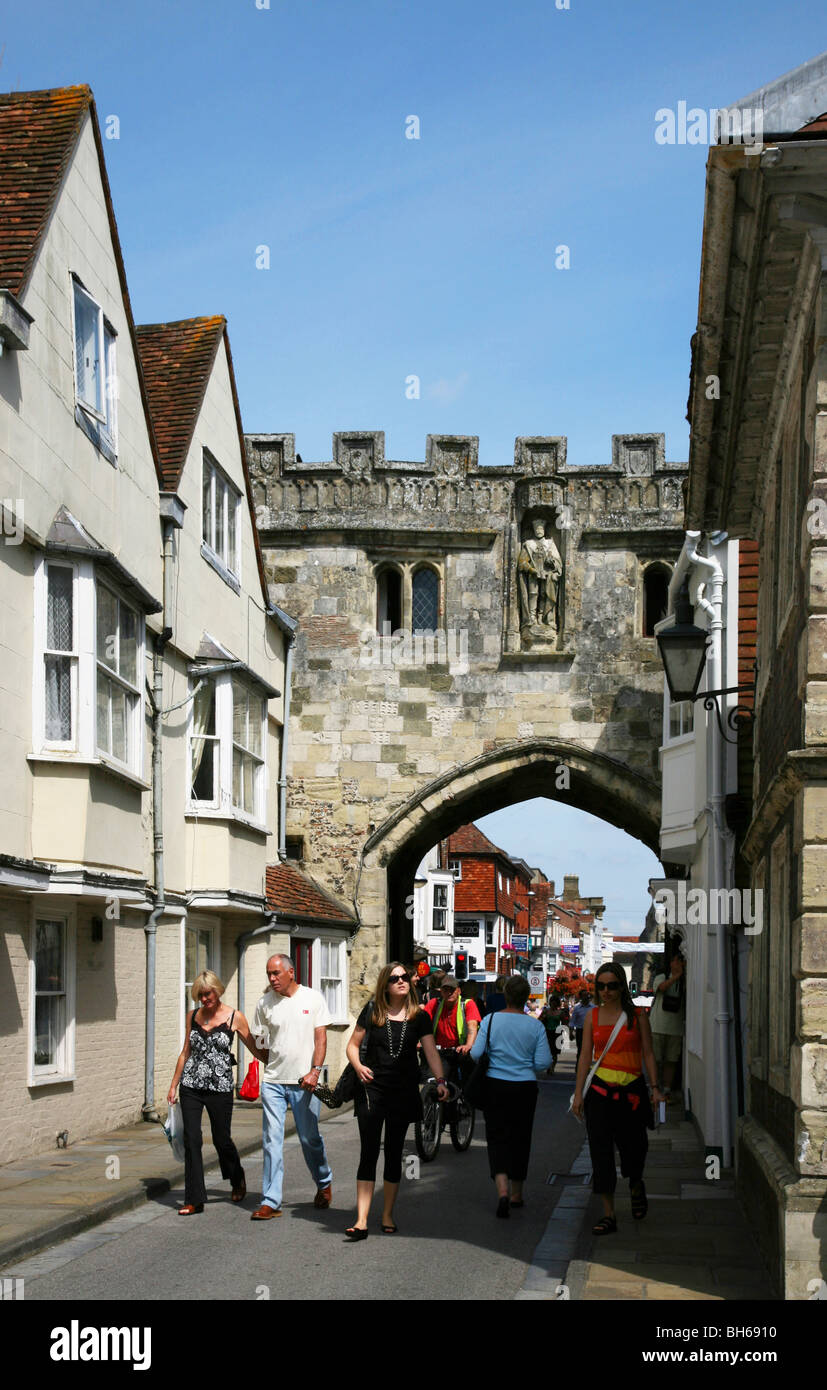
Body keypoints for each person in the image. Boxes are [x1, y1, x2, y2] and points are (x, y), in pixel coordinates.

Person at [345, 963, 448, 1238]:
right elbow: (352, 1046)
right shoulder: (372, 1012)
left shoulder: (420, 1017)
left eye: (405, 977)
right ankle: (362, 1220)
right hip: (372, 1089)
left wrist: (440, 1081)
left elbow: (431, 1053)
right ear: (385, 985)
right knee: (368, 1152)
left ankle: (388, 1214)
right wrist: (358, 1066)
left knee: (393, 1153)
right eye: (394, 978)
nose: (402, 981)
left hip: (402, 1091)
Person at [571, 962, 664, 1236]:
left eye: (612, 985)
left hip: (631, 1093)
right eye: (601, 986)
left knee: (635, 1150)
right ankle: (609, 1214)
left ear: (621, 986)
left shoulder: (637, 1016)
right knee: (600, 1154)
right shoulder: (592, 1017)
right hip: (599, 1094)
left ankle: (636, 1183)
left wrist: (655, 1088)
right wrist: (578, 1094)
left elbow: (648, 1053)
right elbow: (585, 1056)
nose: (606, 991)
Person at [167, 970, 265, 1215]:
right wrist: (173, 1085)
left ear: (217, 991)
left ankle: (236, 1176)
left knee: (222, 1139)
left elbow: (254, 1047)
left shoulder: (234, 1017)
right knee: (192, 1139)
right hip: (191, 1085)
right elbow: (185, 1053)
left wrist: (275, 1064)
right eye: (200, 995)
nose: (204, 999)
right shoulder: (193, 1016)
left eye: (208, 993)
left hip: (219, 1087)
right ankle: (194, 1198)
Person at [249, 953, 333, 1221]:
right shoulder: (264, 1004)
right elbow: (261, 1043)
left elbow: (321, 1039)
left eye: (276, 973)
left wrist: (315, 1072)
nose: (272, 979)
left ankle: (323, 1181)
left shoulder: (312, 998)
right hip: (273, 1082)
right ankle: (271, 1200)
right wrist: (269, 1062)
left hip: (304, 1083)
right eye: (269, 974)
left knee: (309, 1139)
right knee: (271, 1140)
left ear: (291, 972)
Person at [469, 974, 552, 1217]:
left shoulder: (491, 1020)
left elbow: (476, 1054)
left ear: (505, 995)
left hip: (495, 1085)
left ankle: (502, 1192)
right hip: (525, 1087)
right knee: (520, 1138)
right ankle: (517, 1194)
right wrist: (524, 1063)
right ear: (526, 998)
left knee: (496, 1138)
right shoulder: (535, 1026)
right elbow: (543, 1061)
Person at [423, 974, 481, 1087]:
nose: (449, 993)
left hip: (460, 1051)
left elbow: (472, 1026)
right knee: (434, 1081)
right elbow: (422, 1023)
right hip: (440, 1052)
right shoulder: (434, 1003)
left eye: (452, 990)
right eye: (445, 990)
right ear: (441, 991)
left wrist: (468, 1045)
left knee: (467, 1082)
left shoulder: (468, 1004)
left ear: (458, 991)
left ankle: (467, 1101)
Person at [650, 952, 686, 1103]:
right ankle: (655, 1090)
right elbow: (662, 988)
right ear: (672, 963)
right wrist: (676, 976)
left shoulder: (686, 980)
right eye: (678, 961)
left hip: (675, 1027)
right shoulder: (662, 976)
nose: (680, 964)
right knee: (656, 1060)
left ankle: (667, 1091)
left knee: (671, 1061)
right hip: (658, 1026)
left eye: (682, 961)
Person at [569, 991, 592, 1060]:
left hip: (590, 1032)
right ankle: (579, 1065)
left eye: (587, 996)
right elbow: (572, 1021)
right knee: (580, 1049)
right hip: (580, 1031)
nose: (585, 997)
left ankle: (587, 1066)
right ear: (581, 997)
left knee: (589, 1049)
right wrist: (571, 1033)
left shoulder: (594, 1007)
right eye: (583, 996)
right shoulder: (577, 1008)